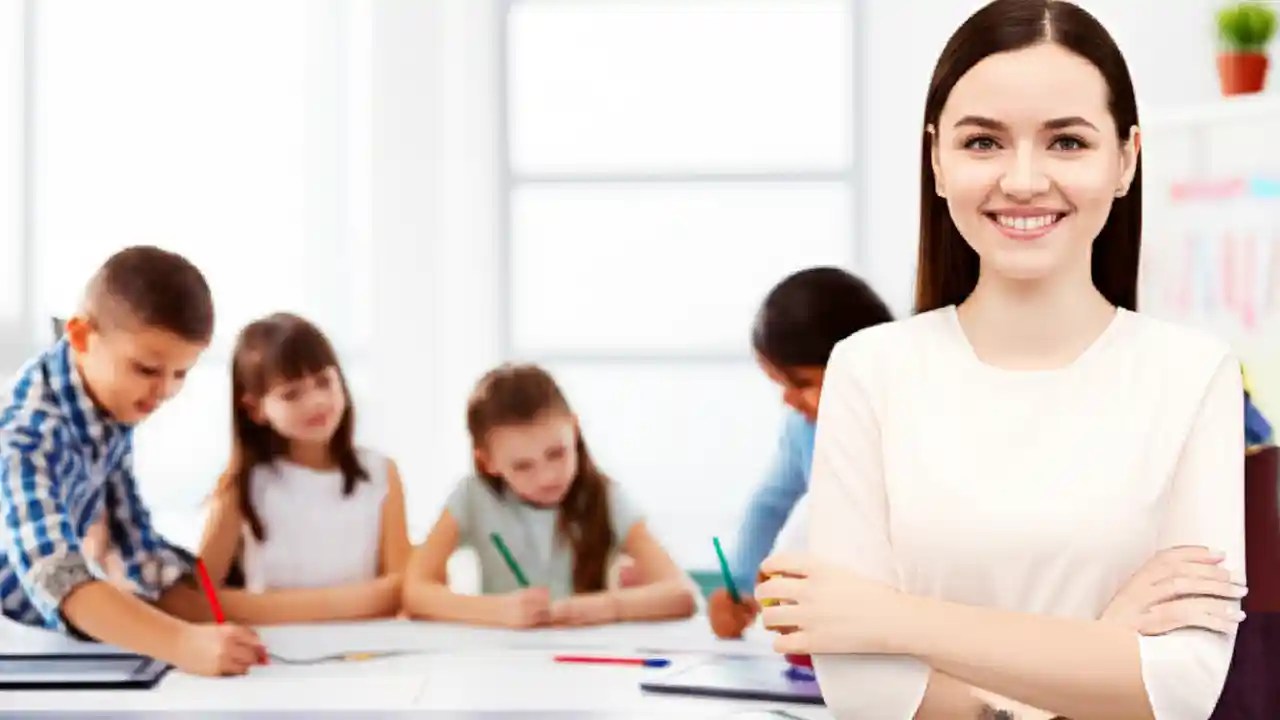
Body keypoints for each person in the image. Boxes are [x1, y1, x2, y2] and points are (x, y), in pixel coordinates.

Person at [754, 2, 1248, 718]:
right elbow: (862, 690)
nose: (1022, 180)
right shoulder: (869, 371)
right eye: (983, 142)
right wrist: (1098, 650)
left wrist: (889, 618)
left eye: (1067, 143)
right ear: (936, 159)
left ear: (1126, 159)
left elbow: (1181, 686)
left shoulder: (1194, 374)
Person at [0, 245, 266, 676]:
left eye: (180, 374)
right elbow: (60, 580)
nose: (164, 391)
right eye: (147, 369)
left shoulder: (109, 402)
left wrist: (218, 625)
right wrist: (183, 642)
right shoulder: (27, 434)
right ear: (82, 337)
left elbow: (138, 548)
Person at [402, 363, 696, 628]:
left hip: (588, 664)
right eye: (522, 466)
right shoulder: (472, 497)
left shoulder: (604, 495)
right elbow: (415, 592)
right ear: (487, 462)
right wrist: (497, 611)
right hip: (501, 663)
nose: (547, 477)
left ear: (575, 430)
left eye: (556, 453)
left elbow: (681, 592)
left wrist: (606, 606)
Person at [707, 267, 894, 640]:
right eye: (781, 384)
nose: (789, 400)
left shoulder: (907, 426)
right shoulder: (804, 430)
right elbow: (768, 507)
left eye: (803, 384)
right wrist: (740, 586)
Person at [194, 313, 411, 624]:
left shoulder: (380, 473)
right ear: (255, 408)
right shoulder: (243, 486)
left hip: (367, 652)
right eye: (291, 394)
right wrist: (360, 600)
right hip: (275, 656)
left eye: (324, 382)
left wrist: (266, 607)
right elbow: (198, 598)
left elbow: (401, 591)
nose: (316, 402)